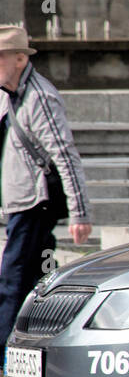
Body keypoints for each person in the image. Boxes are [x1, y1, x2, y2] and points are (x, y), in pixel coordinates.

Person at [0, 25, 93, 359]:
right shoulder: (7, 94)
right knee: (36, 279)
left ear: (21, 59)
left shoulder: (39, 96)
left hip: (34, 203)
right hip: (18, 202)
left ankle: (4, 358)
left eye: (1, 57)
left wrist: (80, 213)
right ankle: (39, 347)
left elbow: (65, 155)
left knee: (12, 280)